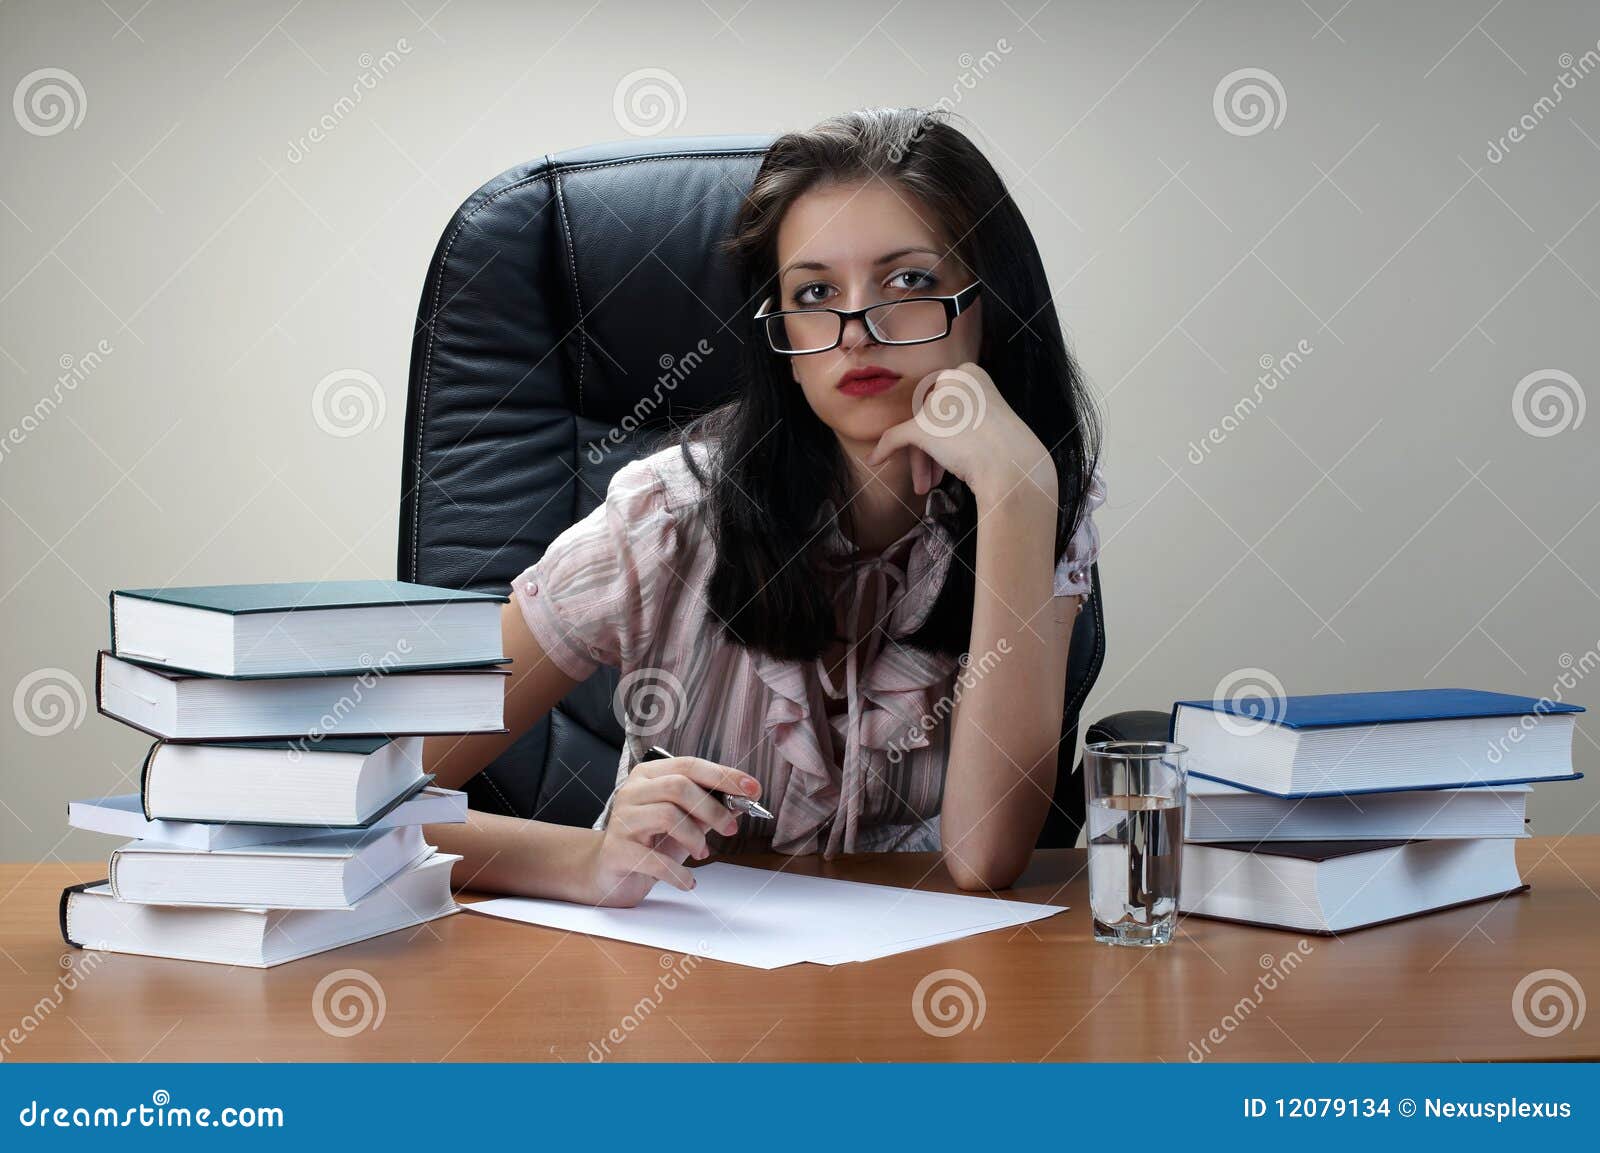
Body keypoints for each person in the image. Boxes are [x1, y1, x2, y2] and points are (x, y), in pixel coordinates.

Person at [424, 107, 1106, 906]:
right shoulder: (667, 518)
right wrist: (585, 859)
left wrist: (1018, 495)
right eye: (814, 292)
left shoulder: (1029, 495)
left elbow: (984, 857)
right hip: (681, 1003)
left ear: (991, 305)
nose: (855, 330)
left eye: (909, 281)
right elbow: (359, 806)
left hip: (923, 995)